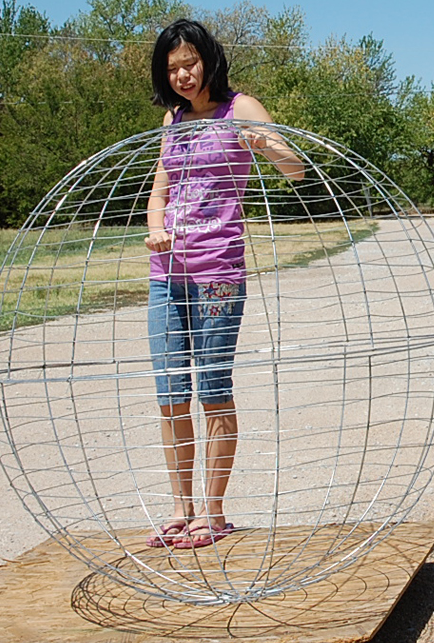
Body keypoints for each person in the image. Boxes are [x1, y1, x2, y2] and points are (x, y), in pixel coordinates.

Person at [144, 18, 304, 549]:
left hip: (218, 272)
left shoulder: (241, 108)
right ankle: (180, 508)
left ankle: (212, 514)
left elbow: (295, 169)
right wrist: (155, 230)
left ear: (208, 59)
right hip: (168, 275)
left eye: (189, 63)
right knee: (170, 395)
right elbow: (159, 191)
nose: (183, 76)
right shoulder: (173, 119)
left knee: (212, 390)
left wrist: (264, 143)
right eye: (172, 69)